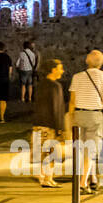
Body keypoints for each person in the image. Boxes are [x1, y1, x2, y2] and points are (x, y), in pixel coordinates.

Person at [67, 50, 103, 193]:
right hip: (94, 115)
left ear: (86, 61)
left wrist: (71, 119)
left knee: (83, 149)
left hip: (79, 114)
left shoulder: (76, 77)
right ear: (102, 63)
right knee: (91, 150)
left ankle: (93, 178)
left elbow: (72, 101)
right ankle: (83, 183)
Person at [30, 59, 65, 188]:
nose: (62, 71)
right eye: (60, 68)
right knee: (50, 154)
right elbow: (56, 108)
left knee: (42, 153)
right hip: (50, 125)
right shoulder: (55, 86)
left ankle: (43, 177)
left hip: (38, 123)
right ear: (53, 69)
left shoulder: (40, 85)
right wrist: (60, 128)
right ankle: (48, 178)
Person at [16, 40, 38, 108]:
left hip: (23, 71)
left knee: (23, 85)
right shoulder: (32, 54)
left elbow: (17, 64)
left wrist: (19, 67)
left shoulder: (21, 53)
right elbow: (34, 64)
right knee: (30, 85)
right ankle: (30, 98)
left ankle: (22, 98)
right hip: (30, 70)